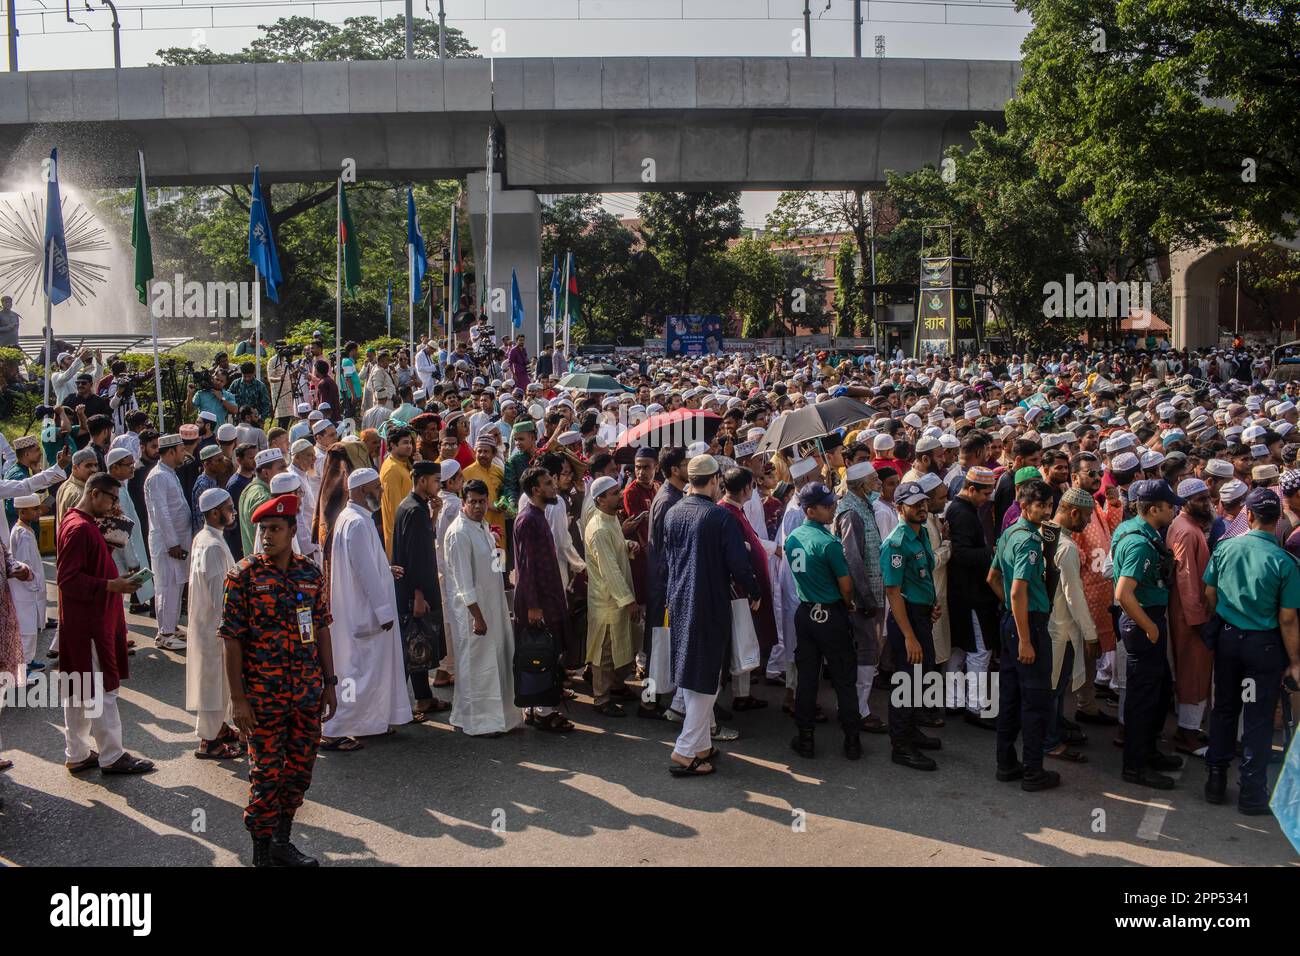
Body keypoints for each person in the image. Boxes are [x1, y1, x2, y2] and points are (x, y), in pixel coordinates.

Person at [222, 493, 336, 867]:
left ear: (292, 530)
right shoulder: (244, 576)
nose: (267, 536)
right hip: (263, 698)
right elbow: (232, 638)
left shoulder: (309, 574)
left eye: (275, 529)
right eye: (263, 529)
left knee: (299, 772)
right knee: (266, 776)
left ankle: (281, 844)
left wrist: (330, 683)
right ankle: (260, 854)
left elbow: (320, 628)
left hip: (305, 693)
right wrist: (238, 699)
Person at [1203, 487, 1300, 815]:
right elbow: (1287, 618)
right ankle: (1251, 791)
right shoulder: (1284, 562)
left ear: (1248, 516)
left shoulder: (1226, 548)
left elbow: (1210, 593)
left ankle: (1215, 779)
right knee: (1257, 719)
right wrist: (1296, 662)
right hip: (1264, 648)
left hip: (1230, 641)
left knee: (1225, 710)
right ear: (1277, 520)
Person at [662, 454, 761, 777]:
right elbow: (738, 564)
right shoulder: (719, 518)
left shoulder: (674, 511)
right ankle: (685, 750)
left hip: (679, 600)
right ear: (716, 479)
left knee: (692, 673)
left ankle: (701, 743)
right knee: (706, 677)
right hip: (708, 602)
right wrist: (754, 590)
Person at [57, 472, 154, 777]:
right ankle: (112, 755)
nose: (114, 506)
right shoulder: (78, 528)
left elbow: (89, 565)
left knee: (77, 689)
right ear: (95, 494)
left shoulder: (82, 524)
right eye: (112, 499)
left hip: (85, 621)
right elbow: (67, 580)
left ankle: (78, 752)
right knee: (101, 690)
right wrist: (110, 586)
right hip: (90, 624)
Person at [319, 467, 412, 749]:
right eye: (376, 488)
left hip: (361, 610)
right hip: (365, 612)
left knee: (370, 672)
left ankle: (371, 723)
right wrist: (383, 612)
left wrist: (386, 569)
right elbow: (364, 572)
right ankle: (333, 730)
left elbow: (368, 564)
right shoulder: (357, 522)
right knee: (356, 673)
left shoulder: (355, 518)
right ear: (359, 491)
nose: (381, 492)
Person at [1111, 479, 1185, 789]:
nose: (1174, 510)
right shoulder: (1140, 542)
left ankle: (1149, 751)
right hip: (1143, 621)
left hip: (1147, 618)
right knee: (1143, 698)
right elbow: (1123, 593)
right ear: (1153, 509)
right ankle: (1135, 766)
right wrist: (1151, 626)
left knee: (1159, 690)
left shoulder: (1138, 530)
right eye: (1170, 506)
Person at [987, 477, 1060, 791]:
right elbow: (1018, 591)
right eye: (1040, 505)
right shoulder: (1029, 540)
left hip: (1012, 623)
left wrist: (1011, 613)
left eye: (1049, 505)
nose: (1046, 511)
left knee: (1012, 698)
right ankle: (1033, 771)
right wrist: (1026, 637)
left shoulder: (1010, 533)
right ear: (1024, 505)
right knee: (1034, 702)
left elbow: (992, 578)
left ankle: (1006, 763)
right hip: (1027, 625)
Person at [786, 481, 862, 760]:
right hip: (830, 613)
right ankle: (852, 740)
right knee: (843, 677)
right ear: (809, 510)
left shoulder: (793, 538)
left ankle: (805, 738)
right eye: (826, 505)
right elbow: (845, 585)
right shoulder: (829, 543)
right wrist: (848, 604)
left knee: (807, 678)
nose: (832, 508)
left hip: (805, 612)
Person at [444, 479, 522, 737]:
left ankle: (482, 716)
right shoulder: (459, 533)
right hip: (473, 613)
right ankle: (479, 723)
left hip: (492, 607)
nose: (478, 506)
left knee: (495, 662)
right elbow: (464, 583)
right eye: (472, 502)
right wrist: (477, 617)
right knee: (477, 666)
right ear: (463, 502)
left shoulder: (482, 525)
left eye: (482, 501)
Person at [881, 480, 943, 772]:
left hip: (920, 615)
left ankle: (911, 731)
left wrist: (930, 606)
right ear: (899, 507)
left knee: (920, 676)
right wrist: (909, 635)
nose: (922, 508)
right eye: (914, 504)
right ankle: (901, 745)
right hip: (906, 620)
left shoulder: (919, 535)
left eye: (923, 503)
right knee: (905, 681)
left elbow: (922, 577)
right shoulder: (896, 542)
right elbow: (893, 592)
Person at [512, 465, 575, 732]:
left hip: (547, 596)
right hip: (537, 602)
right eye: (548, 483)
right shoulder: (528, 520)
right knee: (542, 655)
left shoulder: (538, 515)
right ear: (536, 489)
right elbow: (525, 568)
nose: (554, 486)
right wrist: (535, 606)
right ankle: (544, 712)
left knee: (546, 652)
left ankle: (536, 707)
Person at [391, 459, 449, 721]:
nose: (439, 485)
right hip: (415, 590)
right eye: (436, 481)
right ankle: (397, 707)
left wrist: (434, 514)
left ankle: (424, 698)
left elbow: (426, 541)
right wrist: (418, 595)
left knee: (418, 645)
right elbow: (414, 556)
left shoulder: (417, 507)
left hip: (417, 587)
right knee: (410, 648)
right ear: (423, 480)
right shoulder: (413, 510)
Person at [186, 488, 242, 760]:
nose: (233, 511)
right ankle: (209, 742)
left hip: (207, 622)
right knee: (214, 683)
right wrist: (232, 625)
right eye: (229, 506)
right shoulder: (213, 546)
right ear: (215, 512)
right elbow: (222, 592)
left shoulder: (205, 538)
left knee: (214, 681)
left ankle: (218, 727)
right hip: (215, 625)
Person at [582, 475, 640, 717]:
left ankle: (616, 686)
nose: (620, 495)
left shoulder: (611, 519)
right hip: (607, 599)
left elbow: (614, 549)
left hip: (616, 597)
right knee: (604, 652)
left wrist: (627, 545)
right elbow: (610, 571)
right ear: (601, 499)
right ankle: (601, 699)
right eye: (615, 493)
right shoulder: (598, 529)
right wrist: (628, 601)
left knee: (622, 644)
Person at [1166, 477, 1215, 756]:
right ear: (1186, 503)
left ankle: (1191, 729)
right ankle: (1187, 734)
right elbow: (1187, 581)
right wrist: (1198, 621)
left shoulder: (1189, 526)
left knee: (1193, 672)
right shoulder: (1186, 531)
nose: (1207, 503)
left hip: (1190, 613)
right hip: (1190, 615)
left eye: (1207, 498)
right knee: (1192, 674)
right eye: (1201, 499)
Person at [144, 433, 192, 651]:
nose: (184, 453)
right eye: (181, 450)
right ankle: (164, 633)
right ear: (171, 452)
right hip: (167, 544)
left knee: (176, 584)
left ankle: (171, 627)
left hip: (176, 542)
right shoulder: (158, 477)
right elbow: (161, 512)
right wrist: (173, 543)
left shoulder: (168, 473)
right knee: (167, 586)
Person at [9, 495, 45, 675]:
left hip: (30, 586)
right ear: (23, 511)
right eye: (35, 509)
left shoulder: (24, 529)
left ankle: (29, 661)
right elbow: (24, 563)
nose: (39, 512)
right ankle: (24, 669)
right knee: (27, 630)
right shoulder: (22, 534)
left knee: (31, 628)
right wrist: (33, 583)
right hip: (26, 588)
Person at [239, 448, 285, 556]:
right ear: (265, 473)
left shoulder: (250, 489)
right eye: (282, 468)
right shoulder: (263, 497)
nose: (286, 472)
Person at [379, 425, 414, 559]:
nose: (409, 446)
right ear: (393, 445)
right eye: (405, 443)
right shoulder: (392, 470)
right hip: (401, 540)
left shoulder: (402, 464)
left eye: (410, 442)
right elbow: (395, 511)